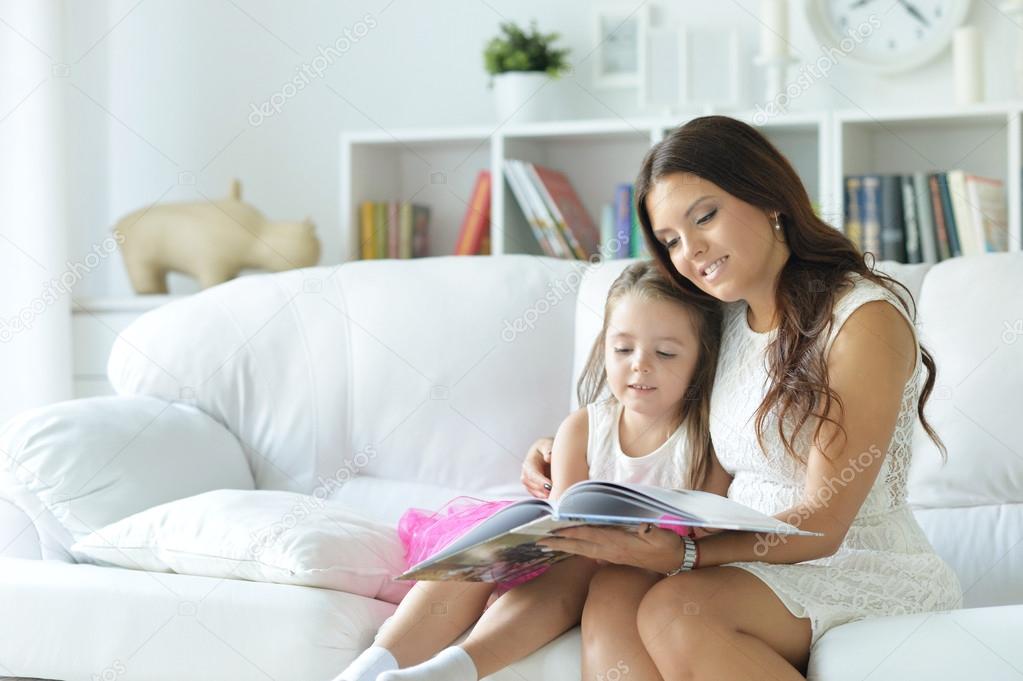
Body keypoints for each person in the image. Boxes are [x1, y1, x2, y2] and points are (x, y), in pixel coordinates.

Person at [525, 115, 963, 680]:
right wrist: (557, 447)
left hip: (853, 559)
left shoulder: (861, 320)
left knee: (674, 612)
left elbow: (823, 523)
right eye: (671, 241)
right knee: (613, 589)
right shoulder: (721, 319)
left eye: (704, 216)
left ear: (769, 198)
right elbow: (658, 415)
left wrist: (684, 556)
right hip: (738, 553)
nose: (692, 252)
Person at [335, 260, 722, 681]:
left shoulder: (704, 443)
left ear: (700, 359)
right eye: (623, 349)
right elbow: (561, 519)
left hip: (635, 570)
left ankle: (453, 669)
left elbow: (709, 531)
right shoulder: (583, 427)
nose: (640, 365)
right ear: (604, 348)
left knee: (577, 569)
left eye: (665, 353)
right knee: (483, 554)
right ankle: (370, 667)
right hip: (564, 557)